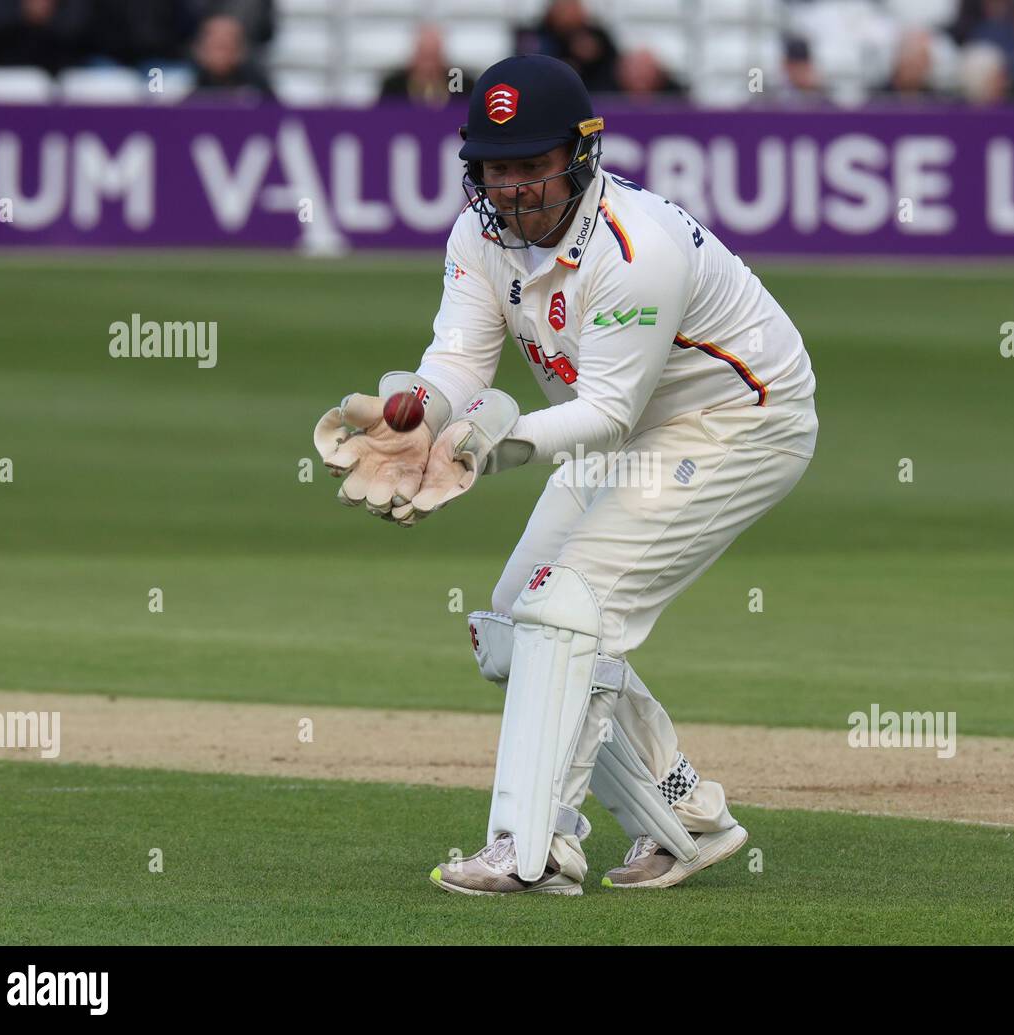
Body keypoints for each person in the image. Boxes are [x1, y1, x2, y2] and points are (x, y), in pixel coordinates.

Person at [313, 55, 818, 896]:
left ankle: (535, 848)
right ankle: (681, 810)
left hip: (739, 422)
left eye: (531, 166)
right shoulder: (477, 235)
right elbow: (458, 361)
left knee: (570, 608)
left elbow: (611, 410)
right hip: (627, 427)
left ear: (581, 155)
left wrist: (481, 448)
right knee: (514, 624)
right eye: (495, 168)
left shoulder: (633, 247)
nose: (512, 189)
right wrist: (419, 417)